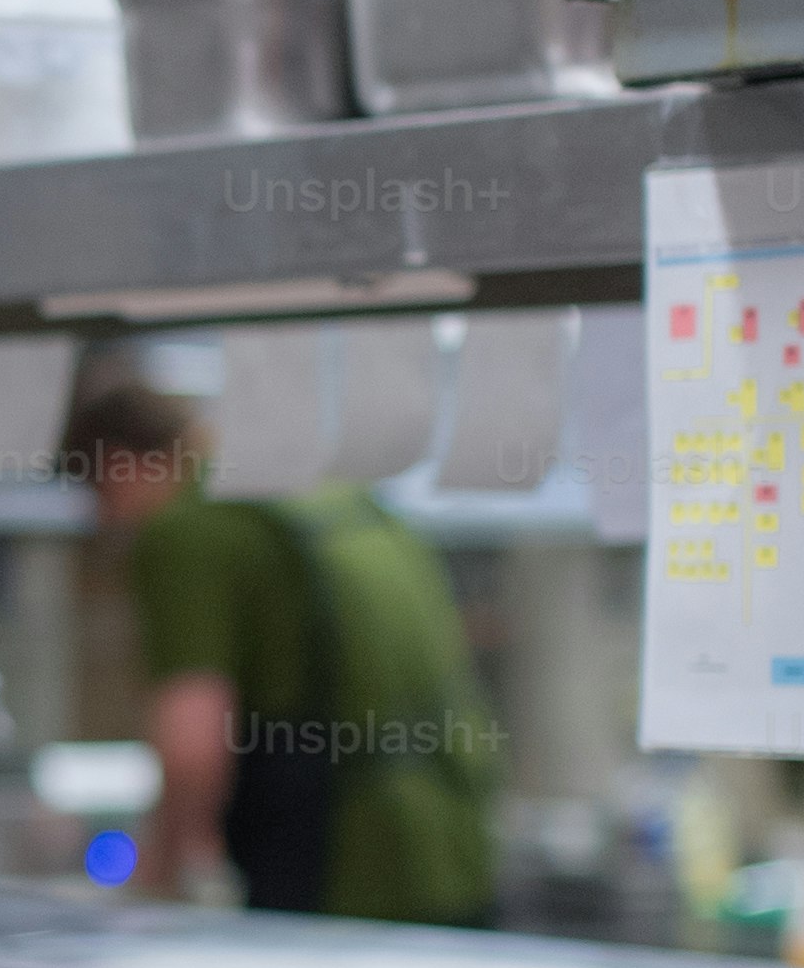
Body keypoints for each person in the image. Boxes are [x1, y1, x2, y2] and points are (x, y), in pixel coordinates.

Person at [74, 377, 501, 921]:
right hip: (454, 849)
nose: (108, 521)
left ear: (120, 464)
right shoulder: (334, 494)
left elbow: (193, 737)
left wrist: (156, 883)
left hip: (340, 871)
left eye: (99, 495)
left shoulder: (188, 529)